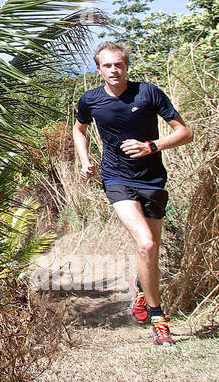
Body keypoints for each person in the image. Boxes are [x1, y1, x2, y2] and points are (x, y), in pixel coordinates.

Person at [72, 42, 194, 346]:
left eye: (119, 64)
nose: (114, 70)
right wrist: (86, 160)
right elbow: (78, 129)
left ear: (126, 66)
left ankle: (140, 285)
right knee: (147, 242)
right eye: (108, 65)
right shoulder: (91, 100)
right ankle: (158, 318)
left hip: (152, 179)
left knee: (149, 252)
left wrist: (151, 146)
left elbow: (185, 133)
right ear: (98, 69)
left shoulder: (148, 93)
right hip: (116, 179)